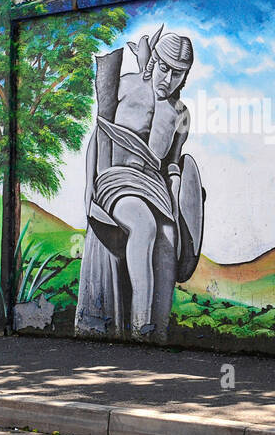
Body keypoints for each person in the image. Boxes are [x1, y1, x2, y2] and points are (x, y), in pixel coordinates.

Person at [75, 27, 203, 338]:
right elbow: (100, 132)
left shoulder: (181, 115)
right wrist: (89, 184)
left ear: (184, 77)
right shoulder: (127, 85)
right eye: (164, 68)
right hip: (117, 180)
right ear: (154, 61)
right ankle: (139, 324)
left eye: (177, 74)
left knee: (168, 238)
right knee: (144, 225)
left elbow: (173, 164)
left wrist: (175, 204)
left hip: (154, 186)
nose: (167, 79)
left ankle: (155, 331)